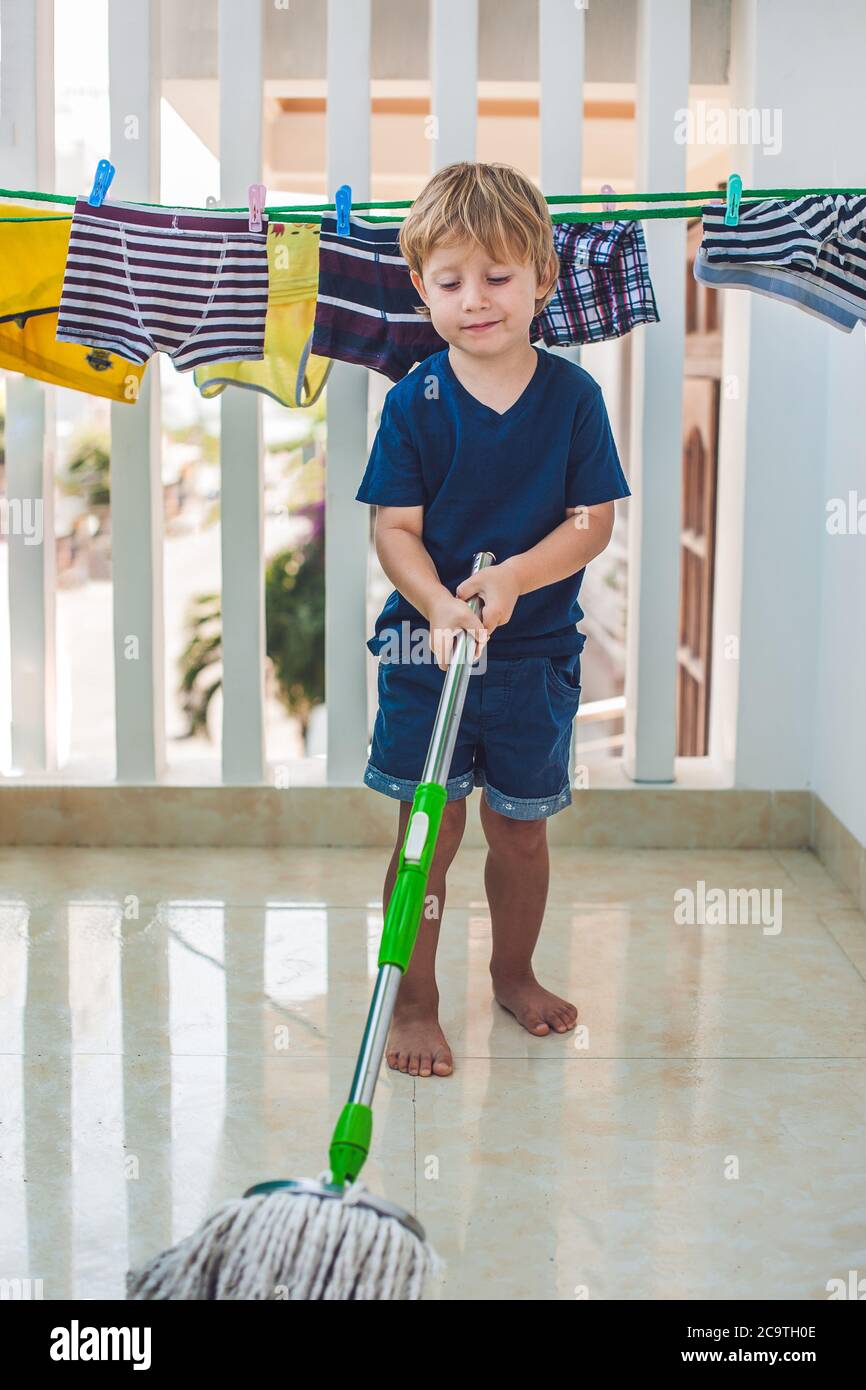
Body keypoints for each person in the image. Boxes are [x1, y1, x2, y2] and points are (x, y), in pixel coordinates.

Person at [355, 161, 631, 1077]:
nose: (475, 299)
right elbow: (394, 529)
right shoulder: (415, 402)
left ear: (545, 280)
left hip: (534, 660)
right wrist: (436, 602)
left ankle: (513, 973)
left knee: (521, 830)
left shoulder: (573, 401)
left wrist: (512, 577)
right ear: (422, 290)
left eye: (499, 276)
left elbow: (592, 523)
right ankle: (416, 998)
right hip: (424, 654)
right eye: (451, 281)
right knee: (426, 836)